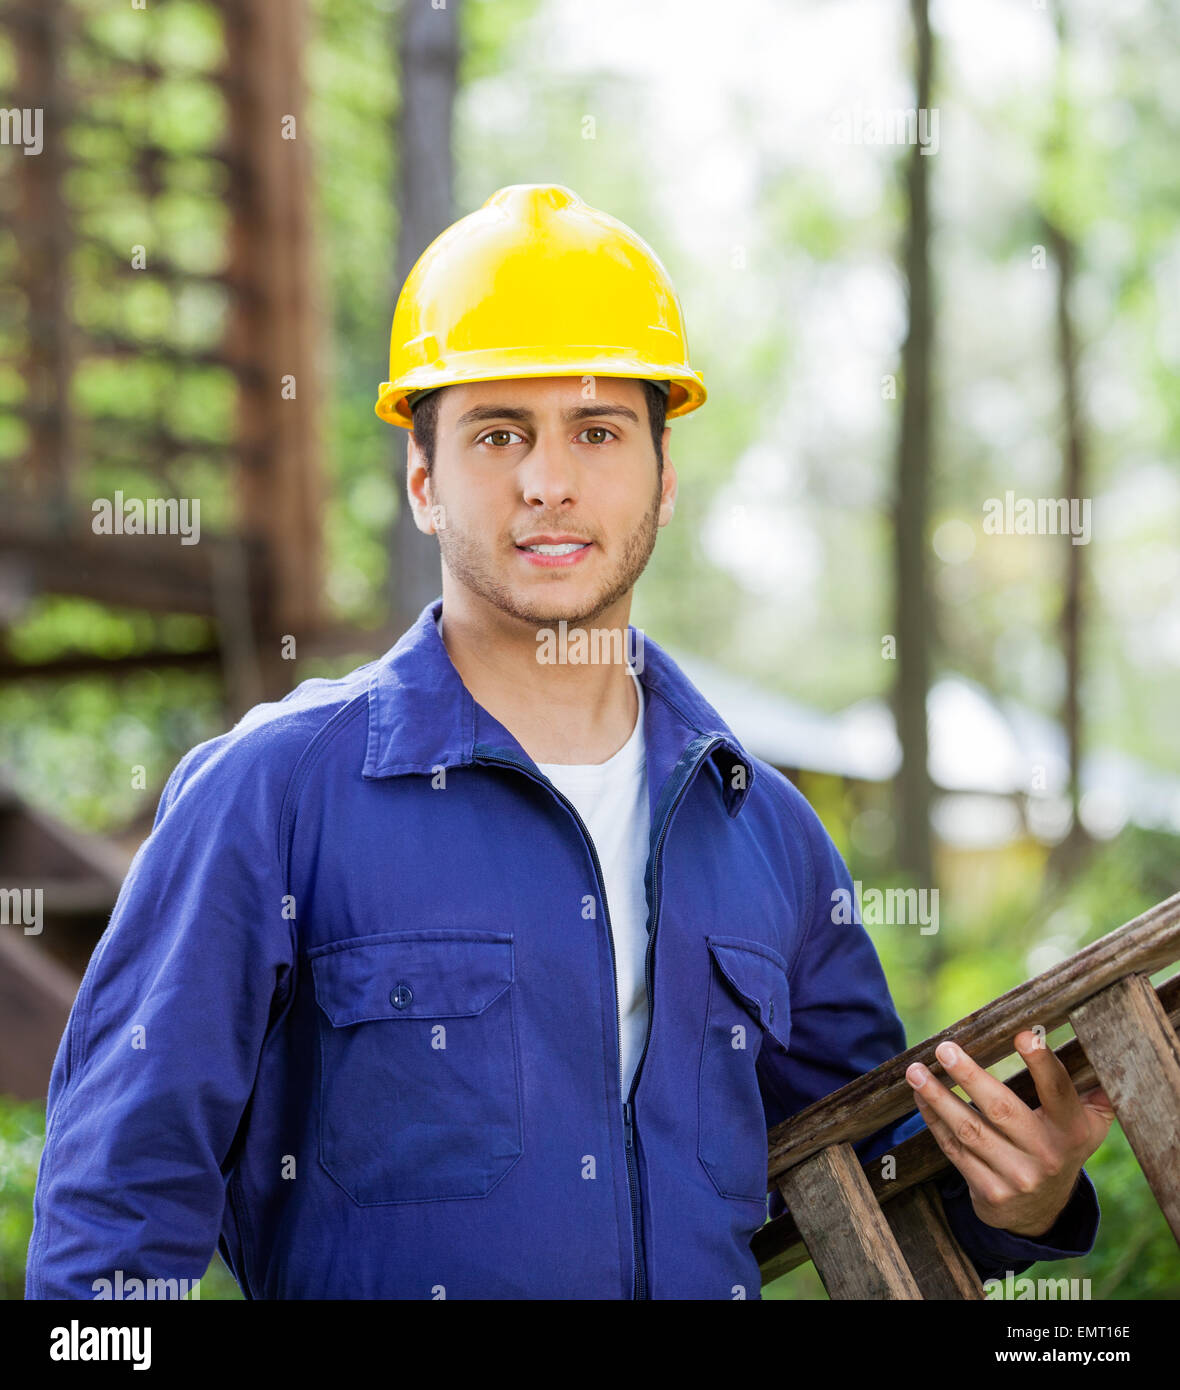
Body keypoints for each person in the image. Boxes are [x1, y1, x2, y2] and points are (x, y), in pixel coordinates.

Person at [26, 184, 1109, 1300]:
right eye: (500, 433)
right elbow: (114, 1216)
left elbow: (880, 1172)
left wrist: (1021, 1199)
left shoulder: (764, 833)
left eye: (596, 432)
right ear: (423, 480)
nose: (549, 481)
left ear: (664, 475)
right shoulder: (274, 796)